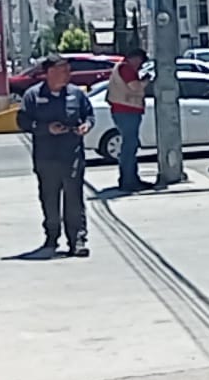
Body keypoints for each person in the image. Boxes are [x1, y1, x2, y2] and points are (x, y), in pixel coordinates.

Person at [16, 53, 95, 258]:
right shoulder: (33, 95)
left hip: (72, 155)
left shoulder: (76, 94)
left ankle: (77, 240)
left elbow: (88, 114)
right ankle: (51, 237)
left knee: (74, 199)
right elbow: (23, 122)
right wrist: (46, 128)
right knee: (49, 199)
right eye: (62, 71)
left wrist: (87, 125)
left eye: (68, 70)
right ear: (49, 72)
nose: (67, 74)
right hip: (46, 157)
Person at [106, 47, 151, 192]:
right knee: (129, 147)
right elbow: (136, 88)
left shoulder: (120, 68)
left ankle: (130, 178)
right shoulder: (126, 69)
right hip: (126, 111)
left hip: (123, 111)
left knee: (129, 146)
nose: (140, 66)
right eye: (140, 62)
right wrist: (146, 81)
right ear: (136, 58)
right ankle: (128, 180)